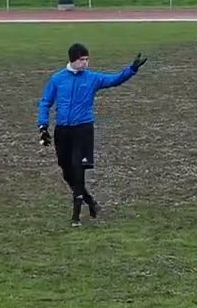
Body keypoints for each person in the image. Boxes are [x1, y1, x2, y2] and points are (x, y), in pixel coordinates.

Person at [36, 43, 147, 227]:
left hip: (83, 129)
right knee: (67, 171)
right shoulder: (57, 79)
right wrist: (43, 125)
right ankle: (90, 201)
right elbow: (45, 102)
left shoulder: (93, 78)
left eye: (87, 59)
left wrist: (132, 69)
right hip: (63, 131)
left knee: (78, 168)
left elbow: (114, 80)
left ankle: (76, 217)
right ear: (73, 59)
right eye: (82, 60)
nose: (86, 63)